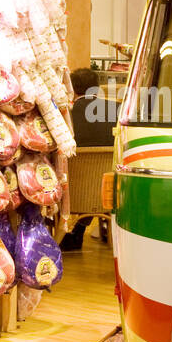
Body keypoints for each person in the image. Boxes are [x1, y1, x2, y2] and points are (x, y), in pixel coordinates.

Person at [61, 68, 114, 251]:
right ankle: (83, 227)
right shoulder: (117, 110)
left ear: (72, 89)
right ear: (97, 88)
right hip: (106, 191)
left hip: (73, 193)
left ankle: (70, 231)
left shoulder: (65, 116)